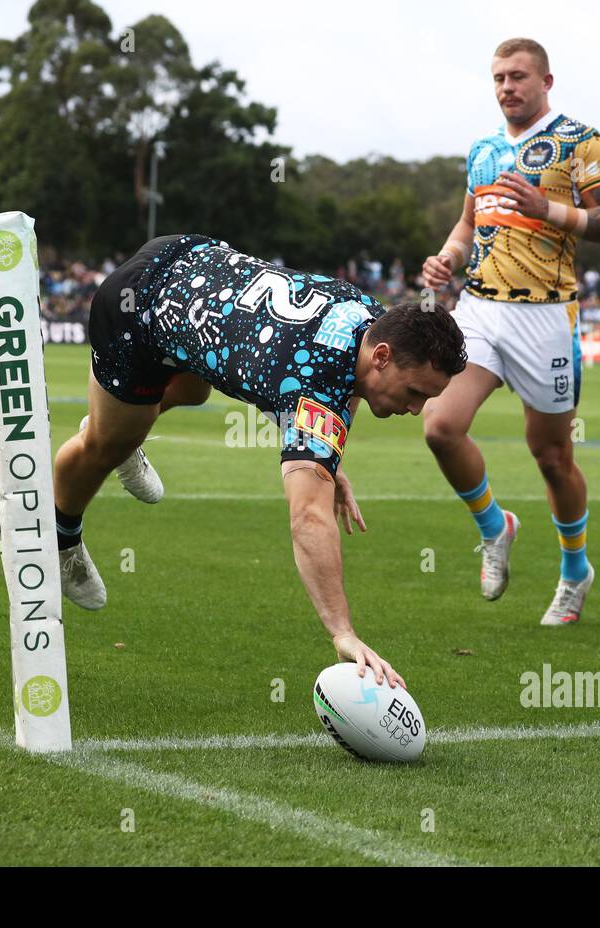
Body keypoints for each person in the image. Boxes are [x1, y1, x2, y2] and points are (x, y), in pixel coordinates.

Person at [54, 234, 466, 687]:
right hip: (137, 309)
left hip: (187, 254)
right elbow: (308, 515)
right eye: (414, 393)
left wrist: (329, 460)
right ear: (383, 356)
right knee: (103, 444)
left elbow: (321, 379)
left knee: (194, 389)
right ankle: (62, 538)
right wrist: (342, 632)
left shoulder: (369, 315)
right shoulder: (316, 382)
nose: (414, 410)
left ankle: (129, 433)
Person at [419, 38, 600, 626]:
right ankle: (496, 526)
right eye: (497, 79)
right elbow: (469, 221)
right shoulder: (484, 149)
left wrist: (549, 210)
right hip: (480, 309)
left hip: (545, 318)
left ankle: (574, 570)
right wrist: (447, 257)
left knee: (552, 457)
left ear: (546, 81)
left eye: (517, 77)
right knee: (439, 425)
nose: (506, 87)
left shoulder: (580, 141)